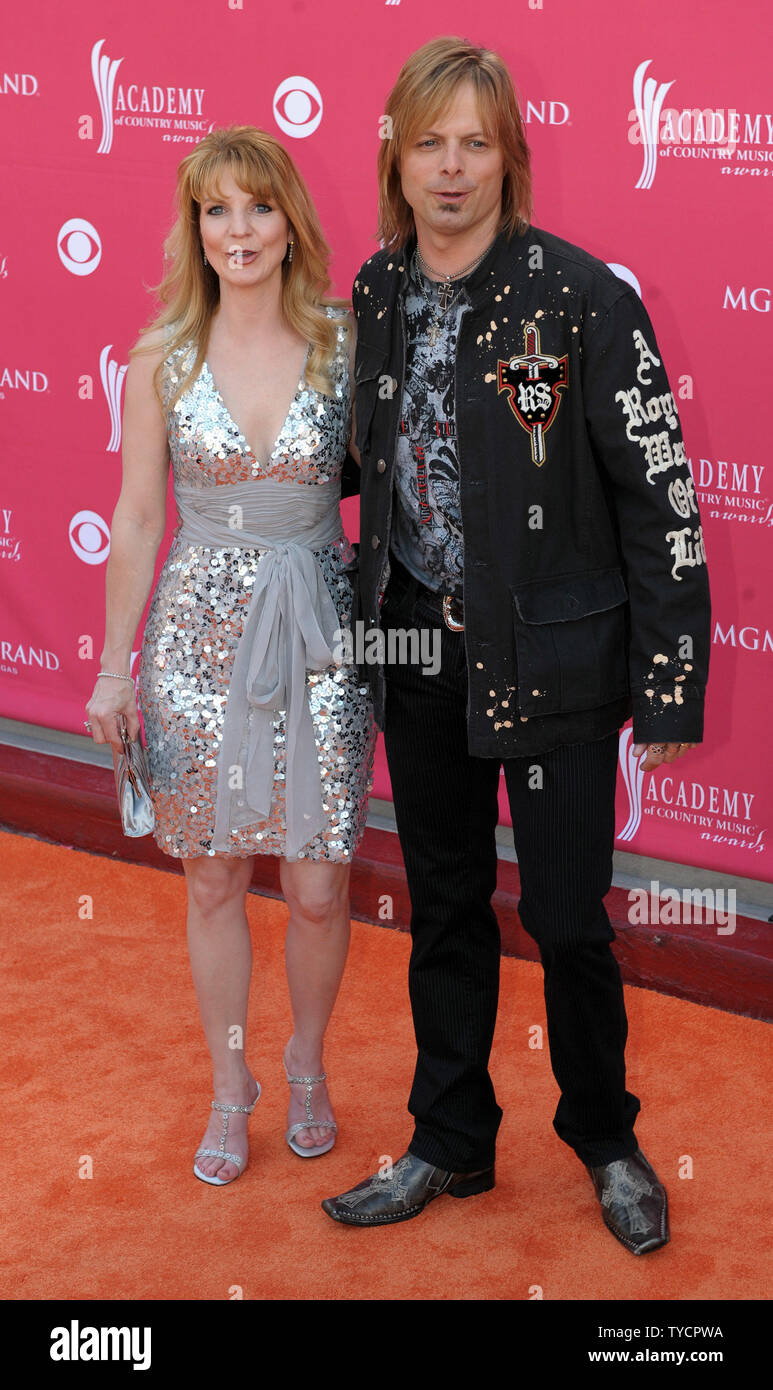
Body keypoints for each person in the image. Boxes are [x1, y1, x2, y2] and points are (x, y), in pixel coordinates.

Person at [321, 38, 710, 1253]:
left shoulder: (582, 297)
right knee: (441, 904)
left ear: (508, 157)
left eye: (473, 142)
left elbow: (658, 492)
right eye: (428, 140)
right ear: (396, 153)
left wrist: (666, 682)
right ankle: (449, 1138)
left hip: (551, 663)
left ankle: (603, 1136)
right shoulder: (375, 293)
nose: (450, 166)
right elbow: (348, 464)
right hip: (415, 654)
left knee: (565, 915)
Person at [84, 126, 376, 1185]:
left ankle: (306, 1063)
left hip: (319, 637)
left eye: (256, 207)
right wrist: (113, 668)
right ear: (194, 227)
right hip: (195, 639)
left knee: (316, 883)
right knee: (212, 877)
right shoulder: (158, 357)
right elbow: (135, 519)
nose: (237, 230)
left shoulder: (346, 345)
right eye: (216, 210)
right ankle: (231, 1082)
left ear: (288, 219)